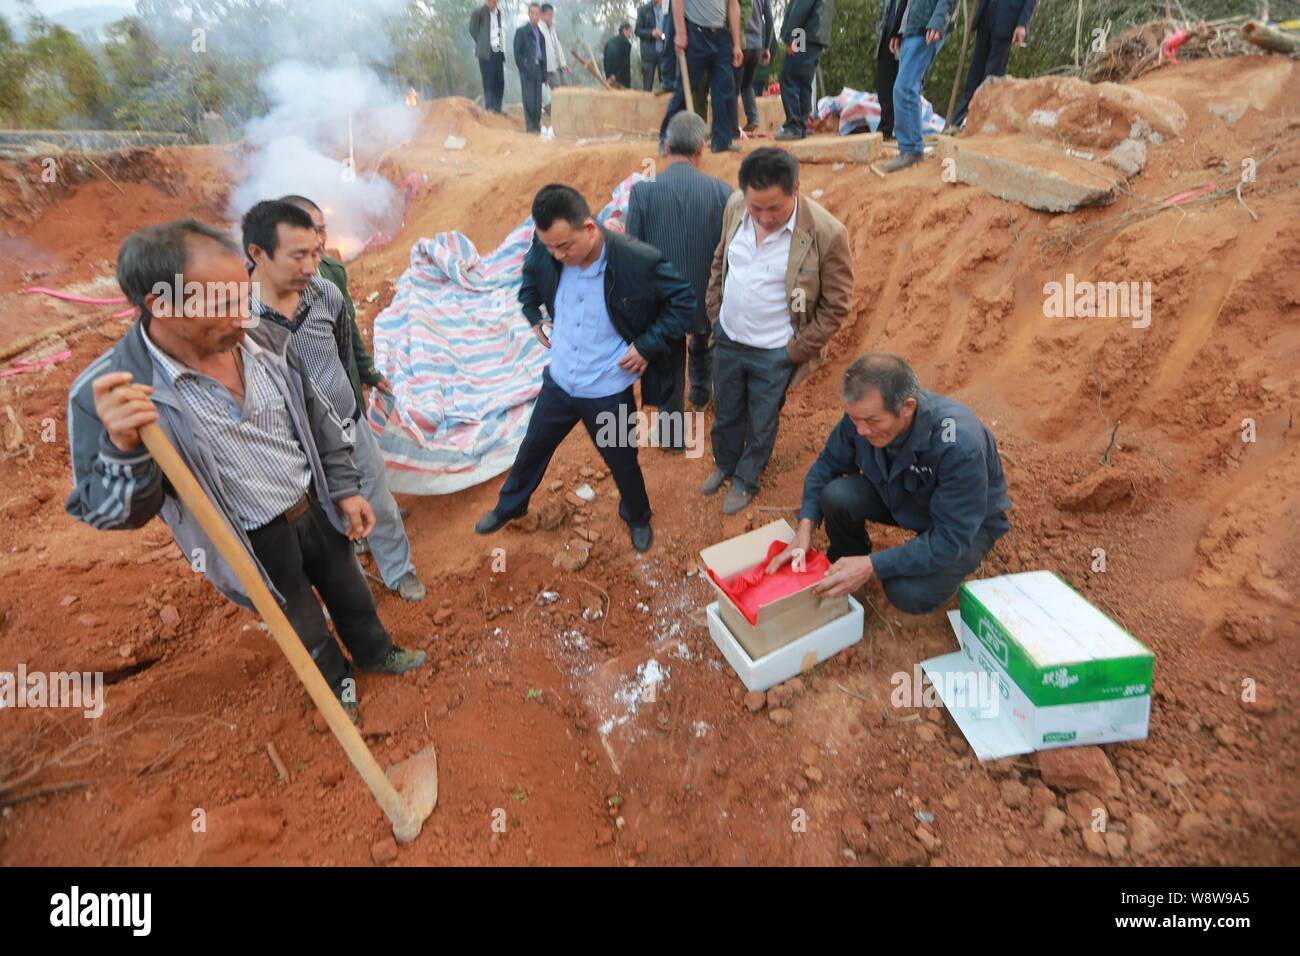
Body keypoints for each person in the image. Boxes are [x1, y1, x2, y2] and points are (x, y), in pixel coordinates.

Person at [66, 220, 426, 723]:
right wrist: (124, 448)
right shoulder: (111, 395)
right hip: (251, 542)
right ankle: (334, 682)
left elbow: (317, 416)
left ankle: (374, 651)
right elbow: (111, 513)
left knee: (351, 591)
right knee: (300, 622)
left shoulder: (263, 336)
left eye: (243, 292)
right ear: (162, 305)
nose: (244, 313)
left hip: (314, 507)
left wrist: (343, 489)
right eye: (221, 304)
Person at [474, 185, 694, 553]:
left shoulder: (636, 260)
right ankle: (509, 506)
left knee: (621, 459)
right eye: (550, 247)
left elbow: (684, 302)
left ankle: (637, 516)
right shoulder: (548, 250)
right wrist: (531, 314)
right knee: (532, 448)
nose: (557, 255)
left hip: (606, 389)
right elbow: (529, 277)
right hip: (559, 382)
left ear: (590, 229)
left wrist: (646, 345)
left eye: (564, 247)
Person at [243, 201, 426, 603]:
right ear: (257, 253)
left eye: (317, 251)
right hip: (292, 445)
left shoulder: (326, 293)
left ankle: (398, 571)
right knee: (319, 524)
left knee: (379, 500)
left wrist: (355, 394)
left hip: (346, 424)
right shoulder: (236, 315)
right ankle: (345, 594)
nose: (312, 264)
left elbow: (345, 349)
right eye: (299, 255)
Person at [767, 354, 1010, 615]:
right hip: (903, 494)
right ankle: (847, 561)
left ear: (907, 407)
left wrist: (873, 565)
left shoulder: (959, 444)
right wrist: (805, 528)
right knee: (836, 496)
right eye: (855, 420)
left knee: (907, 594)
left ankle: (863, 567)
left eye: (871, 421)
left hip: (964, 525)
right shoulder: (862, 417)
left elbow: (950, 538)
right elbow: (827, 466)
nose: (860, 430)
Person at [703, 147, 853, 514]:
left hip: (775, 352)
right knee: (725, 408)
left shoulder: (826, 233)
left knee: (762, 418)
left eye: (774, 208)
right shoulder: (735, 206)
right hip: (728, 338)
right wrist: (715, 313)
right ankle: (725, 463)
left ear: (795, 189)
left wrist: (795, 351)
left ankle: (746, 478)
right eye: (757, 208)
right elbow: (721, 260)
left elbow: (836, 306)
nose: (765, 218)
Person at [627, 111, 734, 433]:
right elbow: (729, 253)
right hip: (706, 295)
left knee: (669, 354)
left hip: (664, 300)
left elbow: (634, 252)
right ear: (701, 148)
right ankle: (701, 395)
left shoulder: (643, 192)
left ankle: (671, 431)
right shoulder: (723, 192)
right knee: (703, 339)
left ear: (666, 145)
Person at [658, 0, 744, 155]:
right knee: (683, 90)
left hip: (721, 35)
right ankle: (666, 139)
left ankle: (722, 141)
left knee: (725, 89)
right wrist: (680, 32)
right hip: (695, 34)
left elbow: (733, 5)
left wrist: (736, 43)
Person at [881, 0, 956, 172]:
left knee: (905, 87)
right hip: (912, 27)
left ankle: (911, 150)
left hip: (926, 25)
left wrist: (938, 21)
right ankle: (909, 149)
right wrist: (897, 31)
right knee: (906, 87)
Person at [949, 0, 1035, 130]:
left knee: (992, 78)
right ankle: (959, 121)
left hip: (1007, 19)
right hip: (986, 14)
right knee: (974, 74)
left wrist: (1022, 24)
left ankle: (980, 125)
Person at [775, 0, 832, 141]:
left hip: (803, 35)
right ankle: (801, 126)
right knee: (804, 83)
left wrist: (790, 37)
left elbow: (800, 9)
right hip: (816, 37)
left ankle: (794, 127)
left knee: (790, 78)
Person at [736, 0, 774, 135]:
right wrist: (767, 47)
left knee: (733, 85)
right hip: (757, 45)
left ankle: (732, 126)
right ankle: (753, 118)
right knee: (746, 83)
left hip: (741, 43)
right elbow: (769, 20)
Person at [874, 0, 908, 139]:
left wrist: (899, 33)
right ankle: (885, 128)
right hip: (886, 37)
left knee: (903, 85)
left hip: (904, 37)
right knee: (884, 85)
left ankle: (904, 131)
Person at [514, 2, 548, 134]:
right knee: (529, 98)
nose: (535, 16)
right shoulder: (521, 32)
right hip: (527, 69)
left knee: (538, 99)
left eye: (537, 13)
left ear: (540, 15)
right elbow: (517, 54)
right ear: (529, 14)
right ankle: (530, 126)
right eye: (532, 13)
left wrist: (544, 75)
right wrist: (524, 68)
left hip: (538, 68)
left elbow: (544, 55)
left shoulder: (541, 35)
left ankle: (536, 125)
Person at [469, 0, 508, 115]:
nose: (493, 2)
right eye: (491, 1)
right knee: (488, 79)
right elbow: (473, 30)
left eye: (495, 1)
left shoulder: (498, 13)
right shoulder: (479, 12)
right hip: (486, 51)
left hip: (497, 50)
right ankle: (490, 107)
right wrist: (482, 42)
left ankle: (498, 107)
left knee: (500, 80)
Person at [636, 0, 670, 91]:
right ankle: (645, 104)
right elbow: (637, 30)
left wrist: (664, 36)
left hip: (664, 53)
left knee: (666, 85)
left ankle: (665, 105)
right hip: (648, 54)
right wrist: (651, 33)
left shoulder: (668, 9)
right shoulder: (644, 10)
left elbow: (671, 30)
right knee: (647, 86)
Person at [539, 3, 572, 92]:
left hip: (559, 66)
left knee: (566, 90)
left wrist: (564, 64)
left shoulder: (552, 28)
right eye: (549, 15)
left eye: (552, 15)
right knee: (558, 92)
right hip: (550, 69)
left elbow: (558, 47)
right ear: (542, 15)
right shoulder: (539, 29)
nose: (551, 17)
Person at [604, 22, 634, 90]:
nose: (630, 34)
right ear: (624, 30)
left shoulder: (609, 42)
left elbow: (606, 61)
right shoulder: (626, 44)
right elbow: (625, 63)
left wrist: (609, 75)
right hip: (622, 81)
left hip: (610, 79)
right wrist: (616, 76)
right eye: (629, 31)